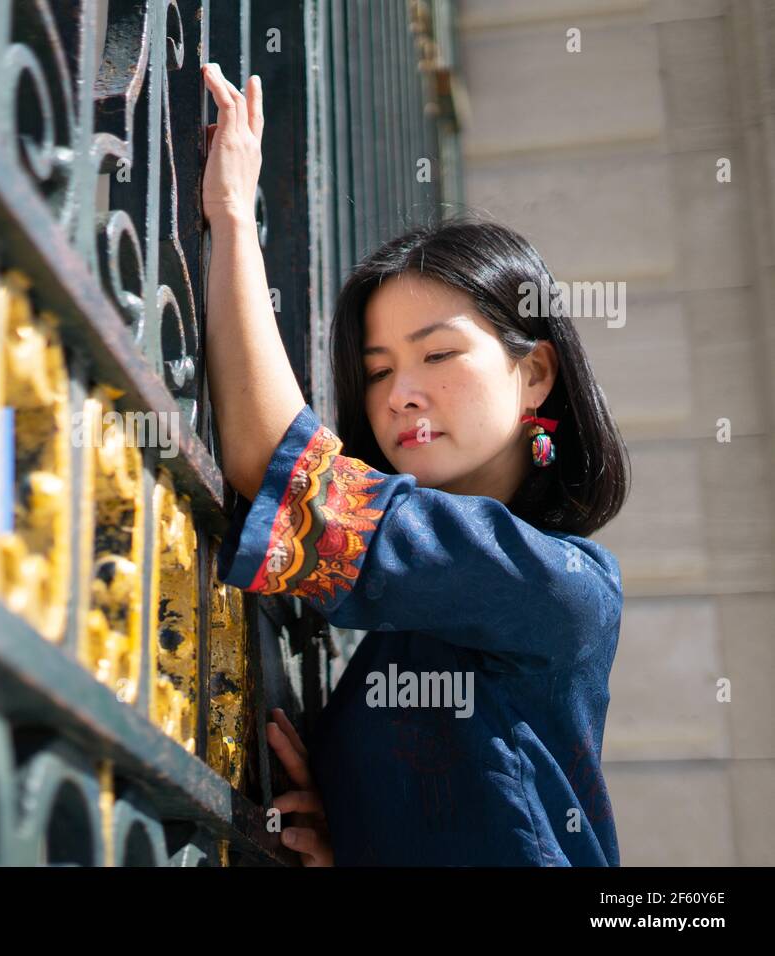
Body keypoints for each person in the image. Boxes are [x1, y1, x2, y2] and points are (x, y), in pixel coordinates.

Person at [199, 63, 631, 866]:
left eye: (437, 354)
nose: (400, 394)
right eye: (377, 370)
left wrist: (231, 216)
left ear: (535, 372)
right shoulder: (409, 622)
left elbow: (283, 473)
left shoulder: (556, 585)